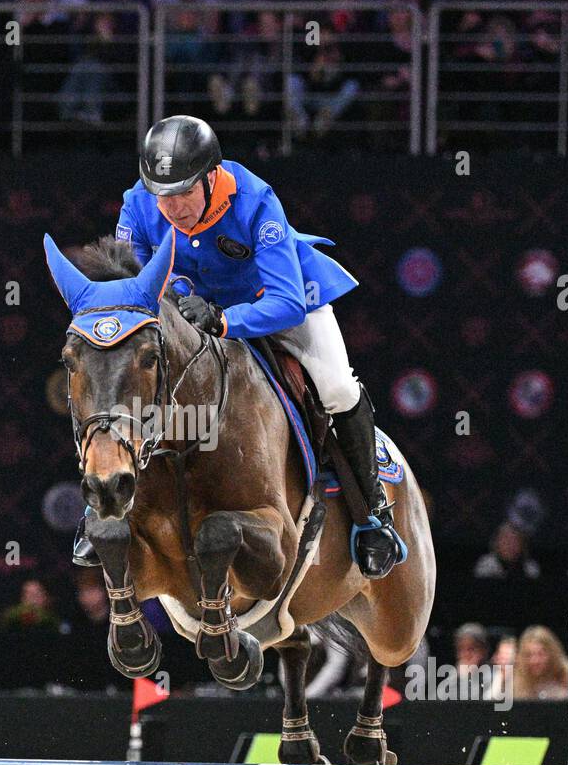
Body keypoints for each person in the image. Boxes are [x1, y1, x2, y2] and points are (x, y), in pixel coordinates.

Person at [72, 114, 405, 580]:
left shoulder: (255, 201)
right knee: (131, 375)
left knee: (336, 387)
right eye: (163, 195)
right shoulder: (139, 203)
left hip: (275, 303)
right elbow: (136, 288)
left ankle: (373, 515)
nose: (174, 207)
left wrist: (226, 321)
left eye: (185, 192)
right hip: (195, 311)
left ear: (212, 176)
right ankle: (107, 510)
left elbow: (286, 301)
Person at [512, 625, 568, 701]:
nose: (535, 661)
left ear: (552, 654)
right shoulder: (515, 682)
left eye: (540, 654)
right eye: (529, 655)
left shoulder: (566, 678)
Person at [474, 522, 540, 578]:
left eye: (515, 541)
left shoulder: (530, 567)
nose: (510, 546)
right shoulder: (486, 564)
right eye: (506, 541)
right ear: (497, 543)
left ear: (522, 545)